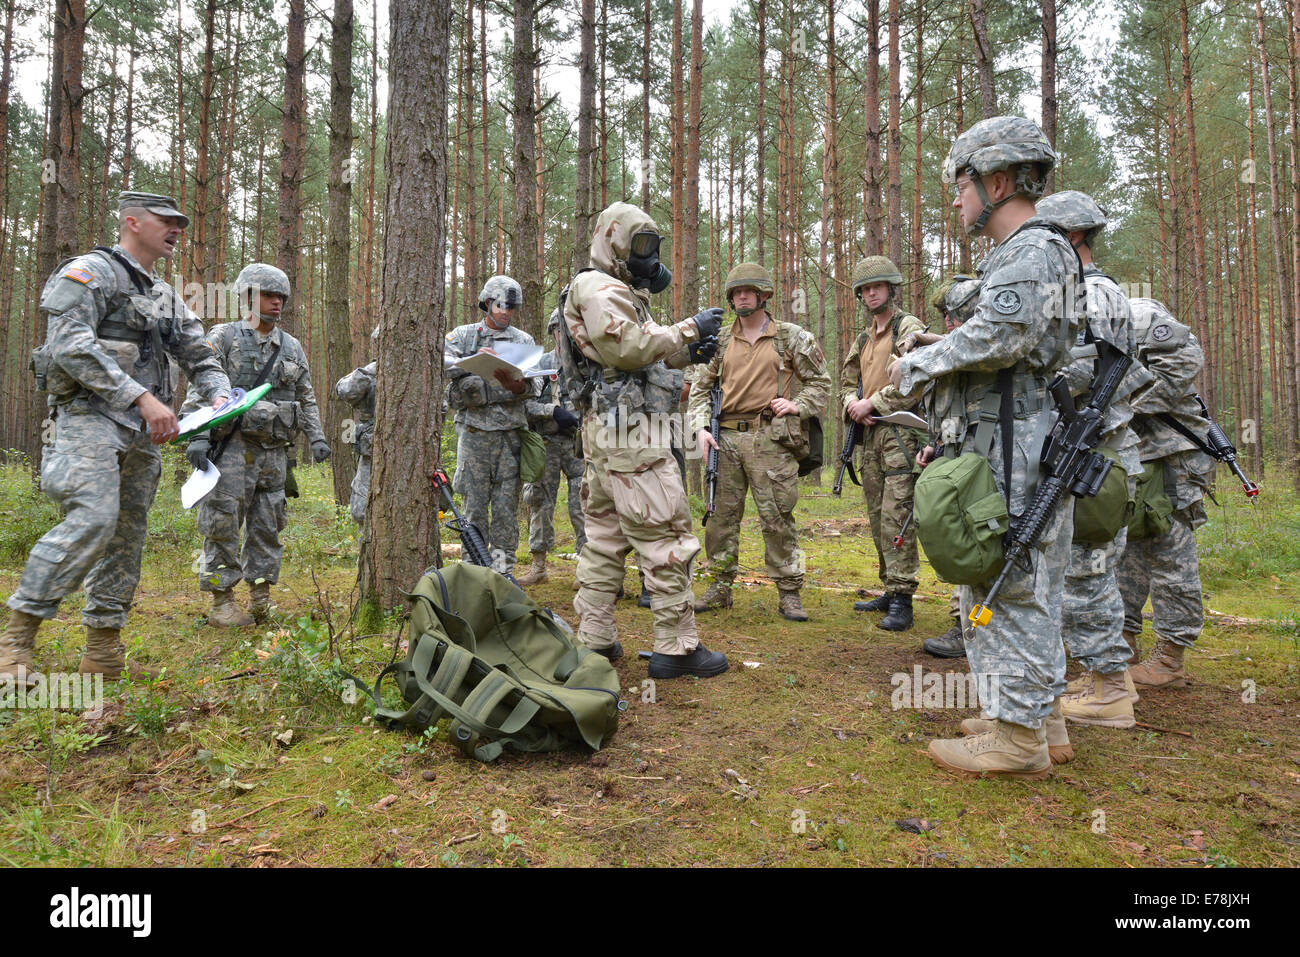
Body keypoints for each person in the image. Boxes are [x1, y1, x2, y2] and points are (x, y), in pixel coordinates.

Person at [889, 116, 1084, 779]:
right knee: (1027, 581)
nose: (956, 200)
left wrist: (919, 363)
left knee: (1007, 580)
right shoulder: (1032, 252)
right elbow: (1006, 334)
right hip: (1013, 435)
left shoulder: (1032, 250)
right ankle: (1039, 717)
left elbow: (1002, 336)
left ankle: (1017, 738)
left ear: (997, 182)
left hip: (1012, 446)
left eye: (961, 185)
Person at [1, 191, 231, 683]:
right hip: (88, 419)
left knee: (127, 535)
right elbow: (69, 345)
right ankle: (16, 641)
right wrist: (140, 397)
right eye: (166, 221)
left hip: (143, 435)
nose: (176, 230)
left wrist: (219, 394)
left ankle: (102, 649)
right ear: (132, 222)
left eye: (180, 223)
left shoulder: (163, 293)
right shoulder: (89, 273)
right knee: (94, 518)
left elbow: (199, 354)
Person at [562, 201, 725, 677]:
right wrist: (689, 328)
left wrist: (687, 353)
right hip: (632, 436)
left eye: (652, 246)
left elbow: (634, 359)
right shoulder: (598, 286)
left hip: (613, 436)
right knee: (664, 534)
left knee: (604, 539)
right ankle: (677, 647)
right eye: (639, 245)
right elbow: (626, 348)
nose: (647, 256)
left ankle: (594, 639)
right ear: (612, 239)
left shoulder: (615, 290)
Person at [1033, 190, 1149, 734]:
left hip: (1094, 457)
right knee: (1081, 572)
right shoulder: (1084, 291)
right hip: (1091, 453)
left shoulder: (1092, 294)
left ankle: (1111, 691)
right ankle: (1104, 681)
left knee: (1086, 574)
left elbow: (1085, 373)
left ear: (1071, 235)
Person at [183, 263, 330, 626]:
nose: (277, 302)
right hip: (232, 449)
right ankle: (222, 602)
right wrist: (198, 435)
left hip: (274, 453)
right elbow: (200, 386)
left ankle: (261, 598)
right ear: (247, 297)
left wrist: (317, 436)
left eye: (281, 296)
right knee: (222, 524)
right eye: (268, 295)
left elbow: (306, 397)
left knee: (268, 525)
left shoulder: (291, 346)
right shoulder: (224, 337)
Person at [689, 262, 831, 621]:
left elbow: (821, 383)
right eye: (736, 292)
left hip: (770, 438)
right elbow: (700, 389)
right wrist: (701, 428)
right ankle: (719, 586)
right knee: (720, 519)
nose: (741, 297)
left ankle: (789, 592)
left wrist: (797, 405)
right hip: (725, 439)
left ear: (763, 295)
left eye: (748, 291)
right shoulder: (719, 340)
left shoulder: (791, 337)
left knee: (778, 517)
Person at [1116, 298, 1213, 690]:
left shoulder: (1140, 315)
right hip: (1128, 460)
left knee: (1171, 556)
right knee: (1123, 553)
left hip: (1171, 459)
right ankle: (1122, 646)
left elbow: (1180, 368)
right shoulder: (1074, 323)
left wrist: (1114, 405)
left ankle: (1171, 658)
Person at [840, 256, 928, 631]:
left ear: (891, 289)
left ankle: (903, 599)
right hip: (871, 435)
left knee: (898, 515)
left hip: (901, 433)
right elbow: (846, 381)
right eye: (865, 289)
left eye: (877, 287)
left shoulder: (909, 328)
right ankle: (889, 589)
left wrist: (872, 403)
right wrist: (852, 404)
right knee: (877, 515)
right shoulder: (864, 339)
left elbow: (916, 378)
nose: (871, 293)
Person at [443, 276, 542, 578]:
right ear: (487, 303)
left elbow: (536, 384)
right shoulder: (463, 335)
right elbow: (441, 361)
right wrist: (474, 362)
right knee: (473, 509)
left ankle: (502, 573)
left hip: (509, 439)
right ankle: (474, 573)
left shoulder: (522, 341)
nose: (506, 312)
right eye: (501, 305)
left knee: (504, 511)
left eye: (511, 307)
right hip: (473, 436)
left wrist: (515, 386)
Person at [911, 275, 982, 659]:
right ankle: (967, 627)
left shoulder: (987, 353)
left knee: (982, 545)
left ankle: (975, 629)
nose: (948, 323)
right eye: (945, 317)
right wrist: (936, 446)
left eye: (954, 315)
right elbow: (954, 413)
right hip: (960, 461)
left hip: (990, 467)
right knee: (965, 541)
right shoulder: (958, 352)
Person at [517, 308, 586, 586]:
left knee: (584, 501)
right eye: (559, 329)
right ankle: (539, 566)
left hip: (578, 443)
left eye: (568, 329)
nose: (564, 334)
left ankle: (588, 566)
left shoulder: (584, 365)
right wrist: (551, 411)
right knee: (539, 502)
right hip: (545, 443)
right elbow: (524, 405)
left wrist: (579, 419)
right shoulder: (539, 364)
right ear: (552, 331)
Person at [335, 327, 379, 524]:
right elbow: (344, 390)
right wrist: (372, 370)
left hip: (411, 457)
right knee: (362, 511)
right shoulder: (369, 374)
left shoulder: (420, 374)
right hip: (373, 454)